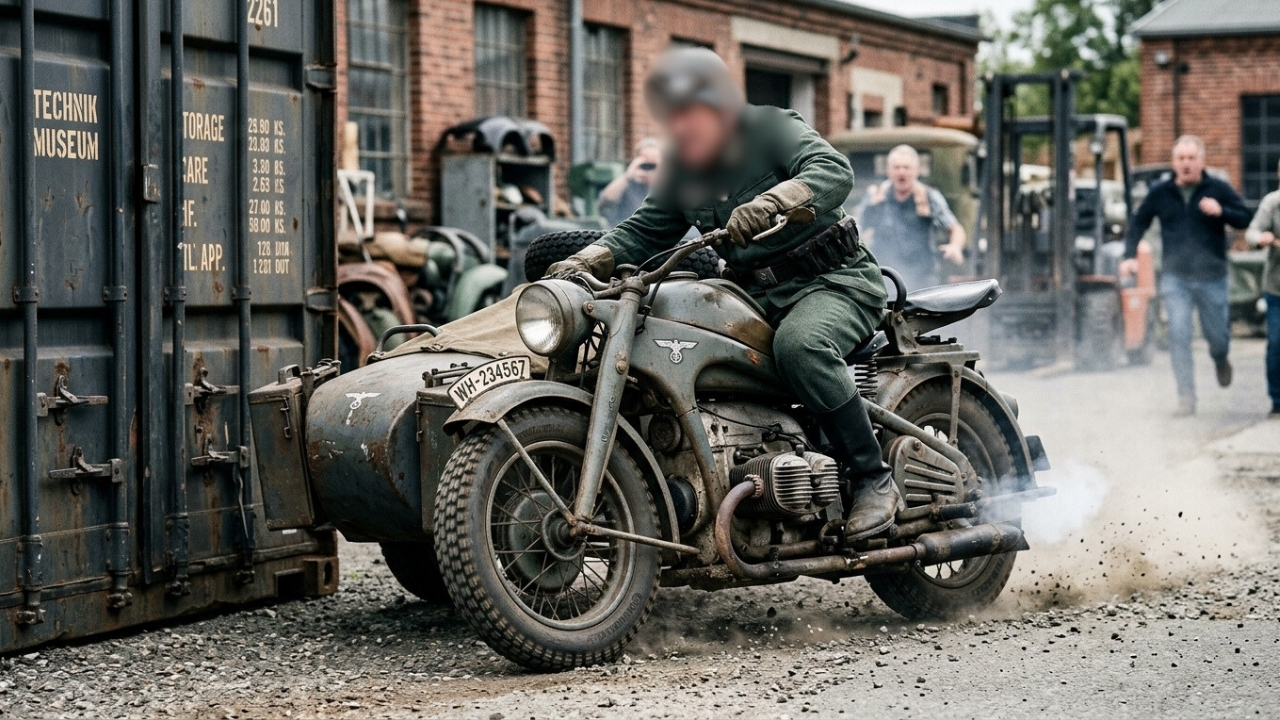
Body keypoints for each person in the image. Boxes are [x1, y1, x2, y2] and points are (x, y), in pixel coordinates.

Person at [546, 47, 901, 540]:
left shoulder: (770, 127)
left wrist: (775, 200)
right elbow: (644, 230)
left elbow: (833, 170)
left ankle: (872, 478)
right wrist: (584, 262)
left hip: (833, 281)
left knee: (801, 346)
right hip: (753, 295)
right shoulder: (684, 165)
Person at [1121, 135, 1252, 416]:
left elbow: (1245, 217)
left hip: (1212, 275)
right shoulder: (1161, 192)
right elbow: (1138, 221)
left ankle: (1220, 357)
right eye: (1181, 159)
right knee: (1178, 333)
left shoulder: (1216, 188)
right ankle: (1186, 397)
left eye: (1191, 158)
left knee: (1217, 335)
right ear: (1174, 162)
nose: (1186, 164)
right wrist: (1129, 256)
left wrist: (1222, 211)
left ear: (1201, 161)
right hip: (1175, 276)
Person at [854, 144, 967, 290]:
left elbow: (955, 228)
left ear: (916, 171)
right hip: (884, 276)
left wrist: (955, 246)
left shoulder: (929, 196)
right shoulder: (875, 196)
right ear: (889, 170)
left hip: (922, 277)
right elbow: (858, 228)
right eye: (897, 167)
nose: (902, 172)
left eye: (906, 167)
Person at [1244, 159, 1280, 418]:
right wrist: (1260, 238)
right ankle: (1277, 399)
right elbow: (1252, 231)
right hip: (1276, 287)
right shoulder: (1272, 203)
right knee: (1277, 343)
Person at [598, 138, 662, 228]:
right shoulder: (625, 182)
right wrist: (628, 175)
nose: (649, 167)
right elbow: (605, 202)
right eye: (645, 162)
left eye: (653, 163)